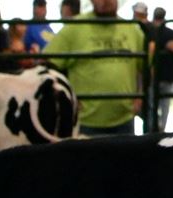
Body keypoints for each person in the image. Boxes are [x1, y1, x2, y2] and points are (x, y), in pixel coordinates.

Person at [46, 0, 148, 135]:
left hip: (125, 120)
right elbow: (48, 64)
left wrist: (139, 97)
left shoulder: (132, 29)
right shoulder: (74, 27)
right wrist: (65, 99)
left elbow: (144, 67)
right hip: (85, 122)